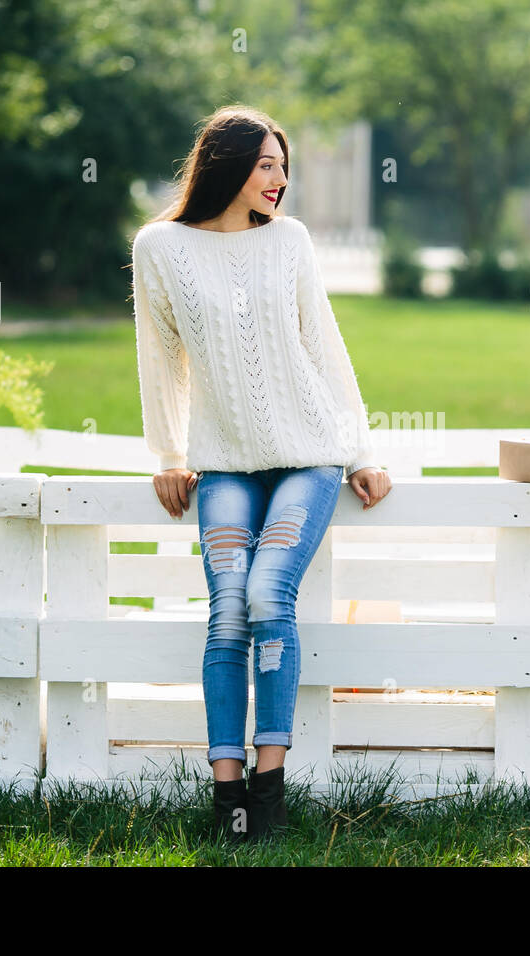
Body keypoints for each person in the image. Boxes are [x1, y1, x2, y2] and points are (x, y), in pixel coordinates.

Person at [129, 105, 392, 842]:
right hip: (224, 462)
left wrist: (362, 451)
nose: (279, 179)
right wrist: (168, 456)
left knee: (269, 591)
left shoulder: (291, 242)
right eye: (266, 164)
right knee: (227, 611)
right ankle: (228, 798)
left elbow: (325, 347)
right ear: (226, 165)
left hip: (309, 453)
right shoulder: (160, 247)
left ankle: (270, 788)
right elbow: (159, 359)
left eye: (284, 165)